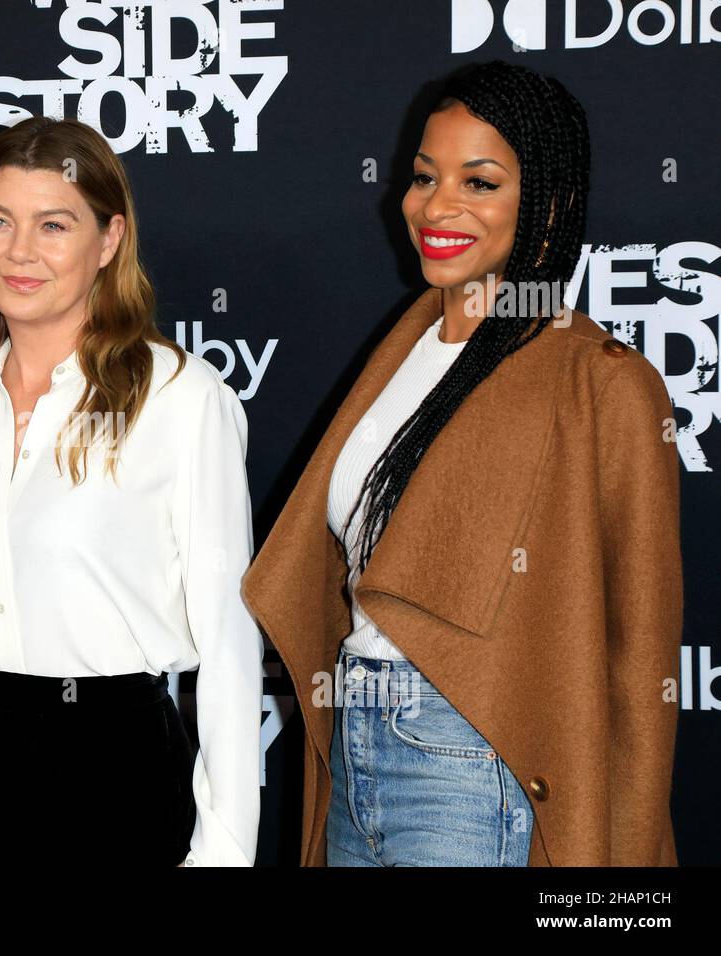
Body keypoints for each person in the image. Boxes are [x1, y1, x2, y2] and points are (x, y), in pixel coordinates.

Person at [242, 60, 682, 866]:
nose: (434, 206)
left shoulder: (601, 381)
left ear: (545, 202)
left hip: (475, 766)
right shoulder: (404, 346)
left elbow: (641, 662)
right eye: (423, 176)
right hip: (356, 741)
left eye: (479, 182)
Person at [0, 117, 263, 867]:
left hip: (118, 777)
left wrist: (225, 855)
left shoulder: (179, 397)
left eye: (54, 225)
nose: (19, 252)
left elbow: (229, 645)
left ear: (109, 239)